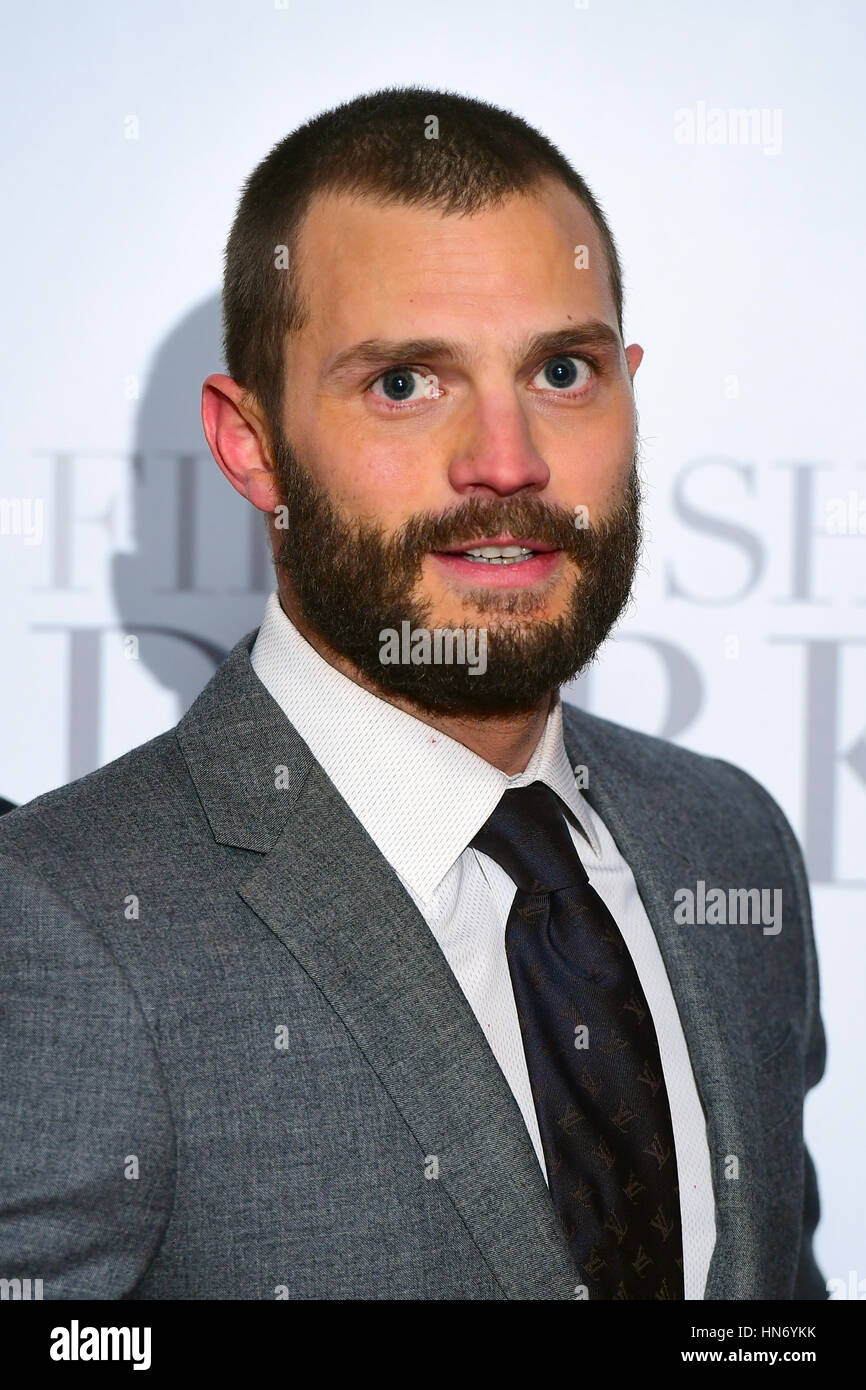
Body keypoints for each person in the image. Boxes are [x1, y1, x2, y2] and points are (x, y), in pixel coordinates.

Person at [0, 87, 825, 1300]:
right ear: (251, 445)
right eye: (404, 383)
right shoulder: (63, 918)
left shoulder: (726, 836)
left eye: (560, 368)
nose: (507, 460)